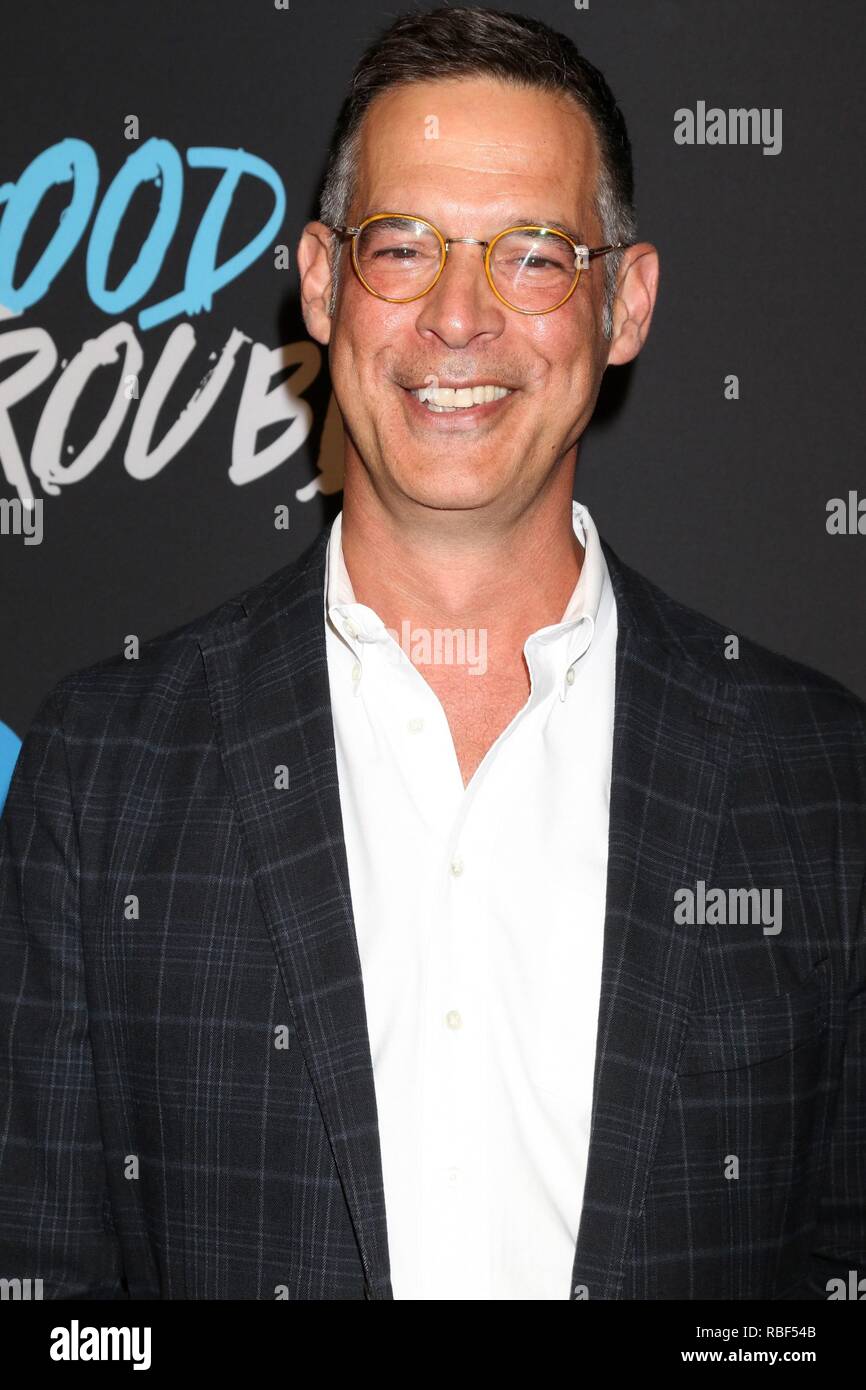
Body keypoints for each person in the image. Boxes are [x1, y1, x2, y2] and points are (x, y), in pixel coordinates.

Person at [1, 6, 863, 1302]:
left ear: (622, 303)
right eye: (401, 246)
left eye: (529, 255)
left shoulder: (824, 780)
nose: (457, 318)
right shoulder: (101, 769)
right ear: (319, 283)